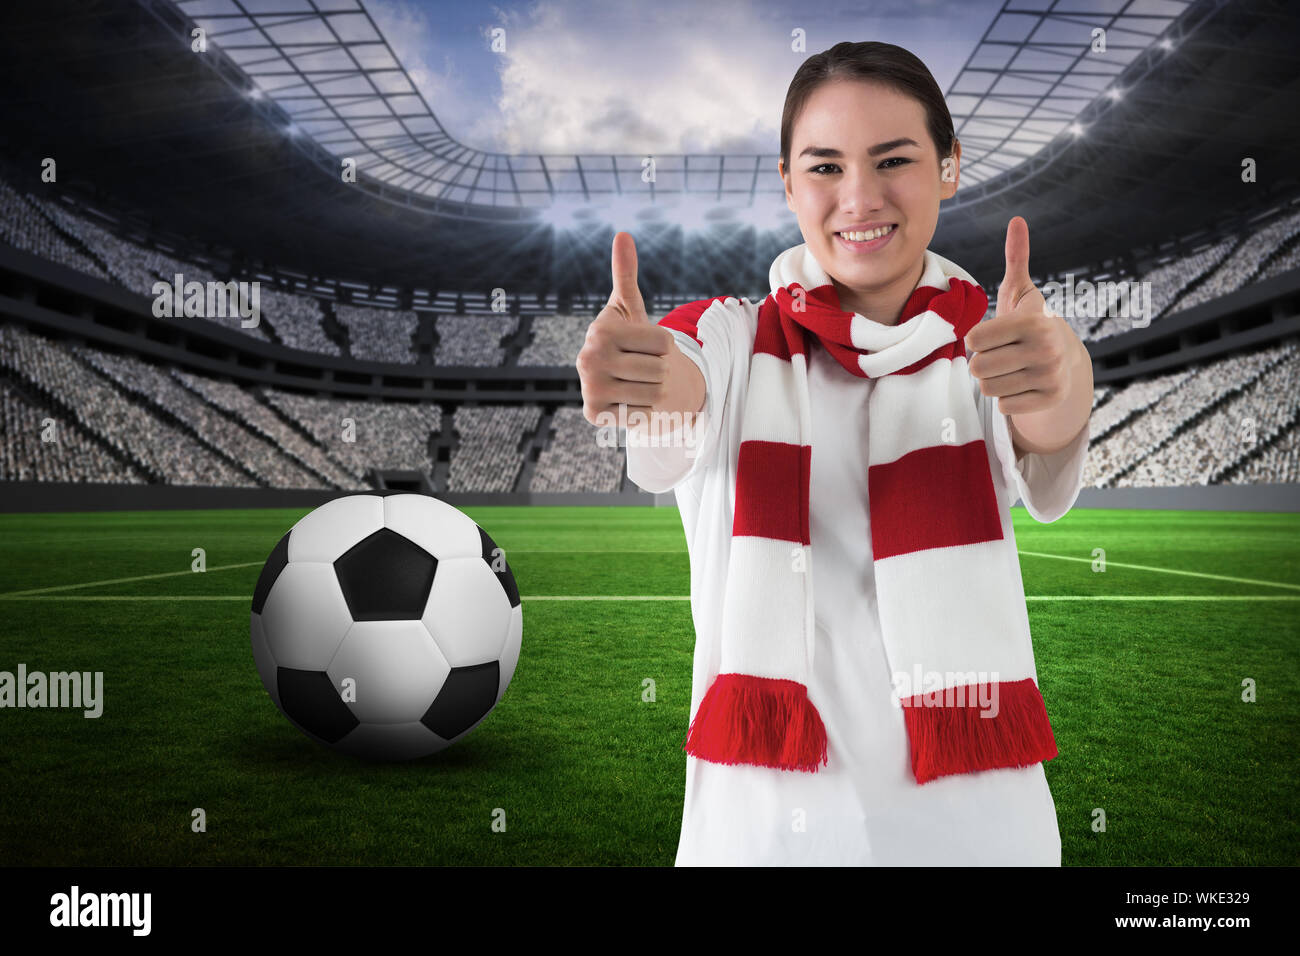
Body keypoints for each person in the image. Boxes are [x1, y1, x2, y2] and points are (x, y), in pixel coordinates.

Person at [577, 41, 1093, 866]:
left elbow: (1047, 418)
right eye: (824, 167)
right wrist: (640, 373)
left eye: (894, 159)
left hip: (979, 837)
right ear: (787, 182)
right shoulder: (731, 340)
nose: (859, 197)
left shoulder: (990, 347)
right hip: (765, 838)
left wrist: (1060, 371)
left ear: (950, 166)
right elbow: (679, 383)